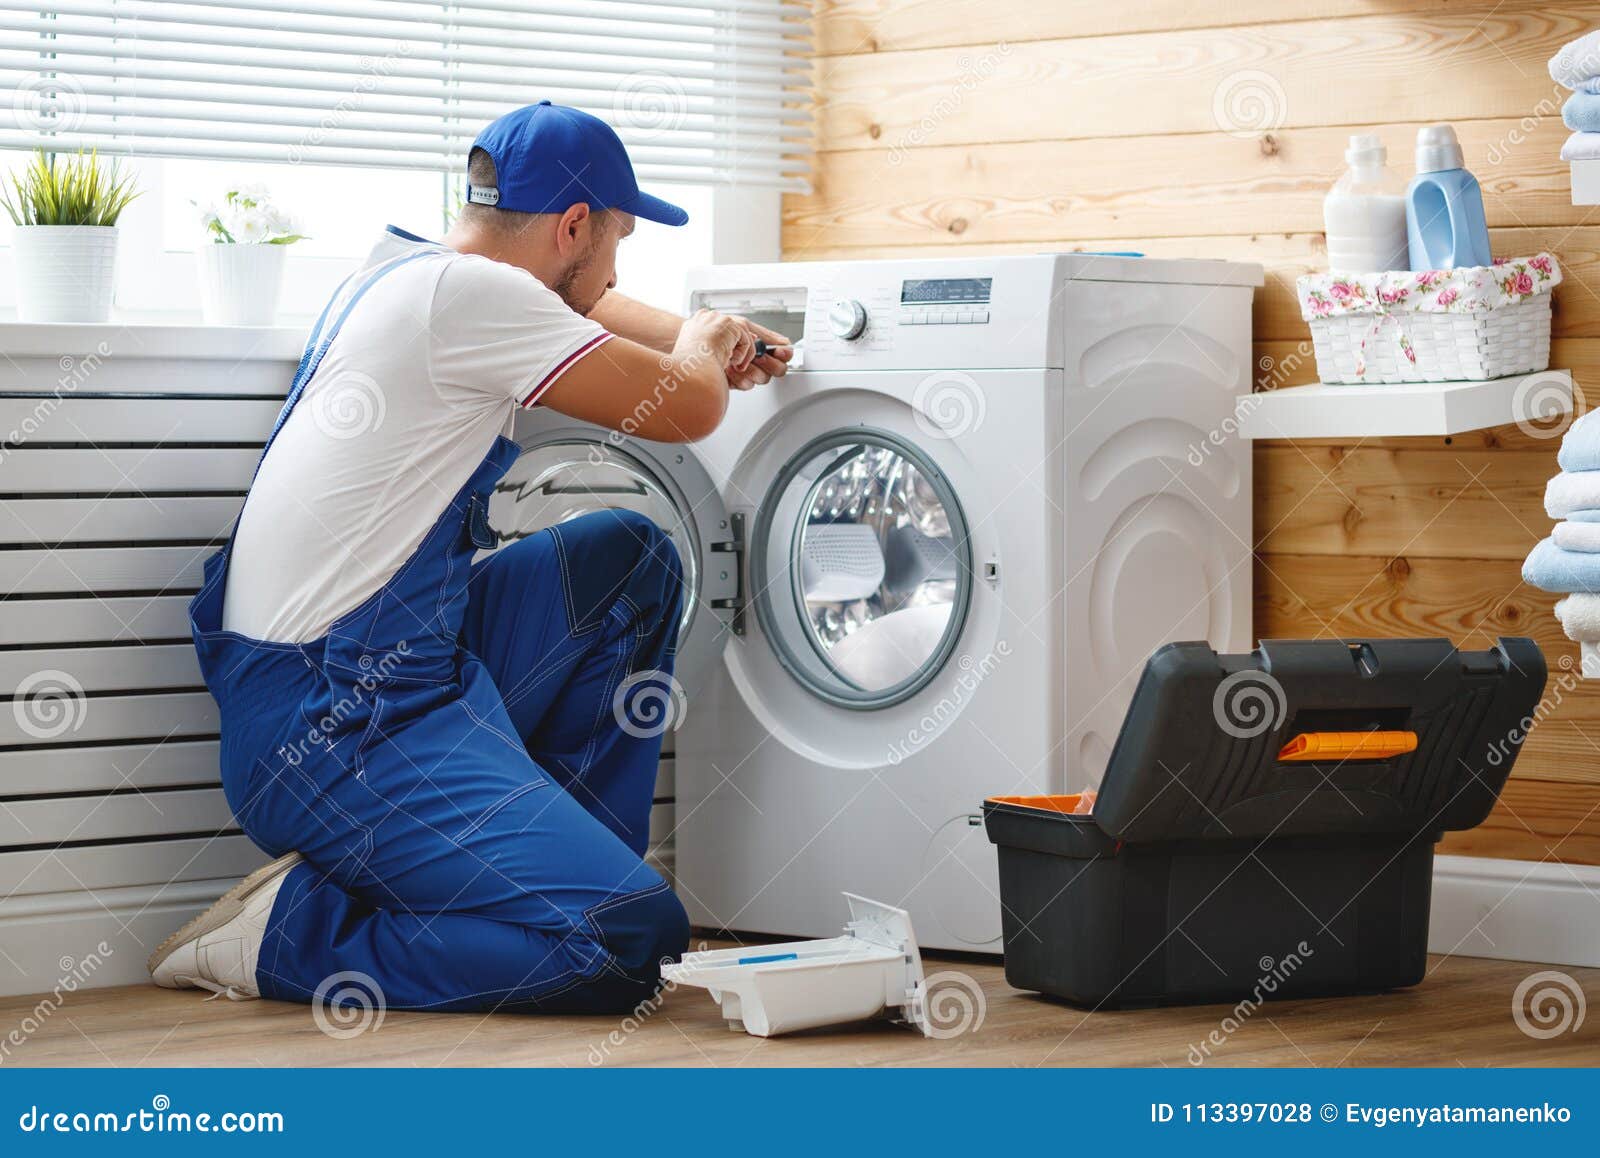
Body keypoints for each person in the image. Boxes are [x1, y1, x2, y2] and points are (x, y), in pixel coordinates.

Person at [146, 101, 791, 1013]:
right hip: (335, 729)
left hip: (387, 674)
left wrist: (707, 332)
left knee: (628, 559)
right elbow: (687, 409)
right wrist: (702, 348)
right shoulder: (480, 300)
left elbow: (591, 305)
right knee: (630, 942)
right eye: (618, 238)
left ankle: (562, 873)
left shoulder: (408, 271)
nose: (617, 268)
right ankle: (287, 934)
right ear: (574, 225)